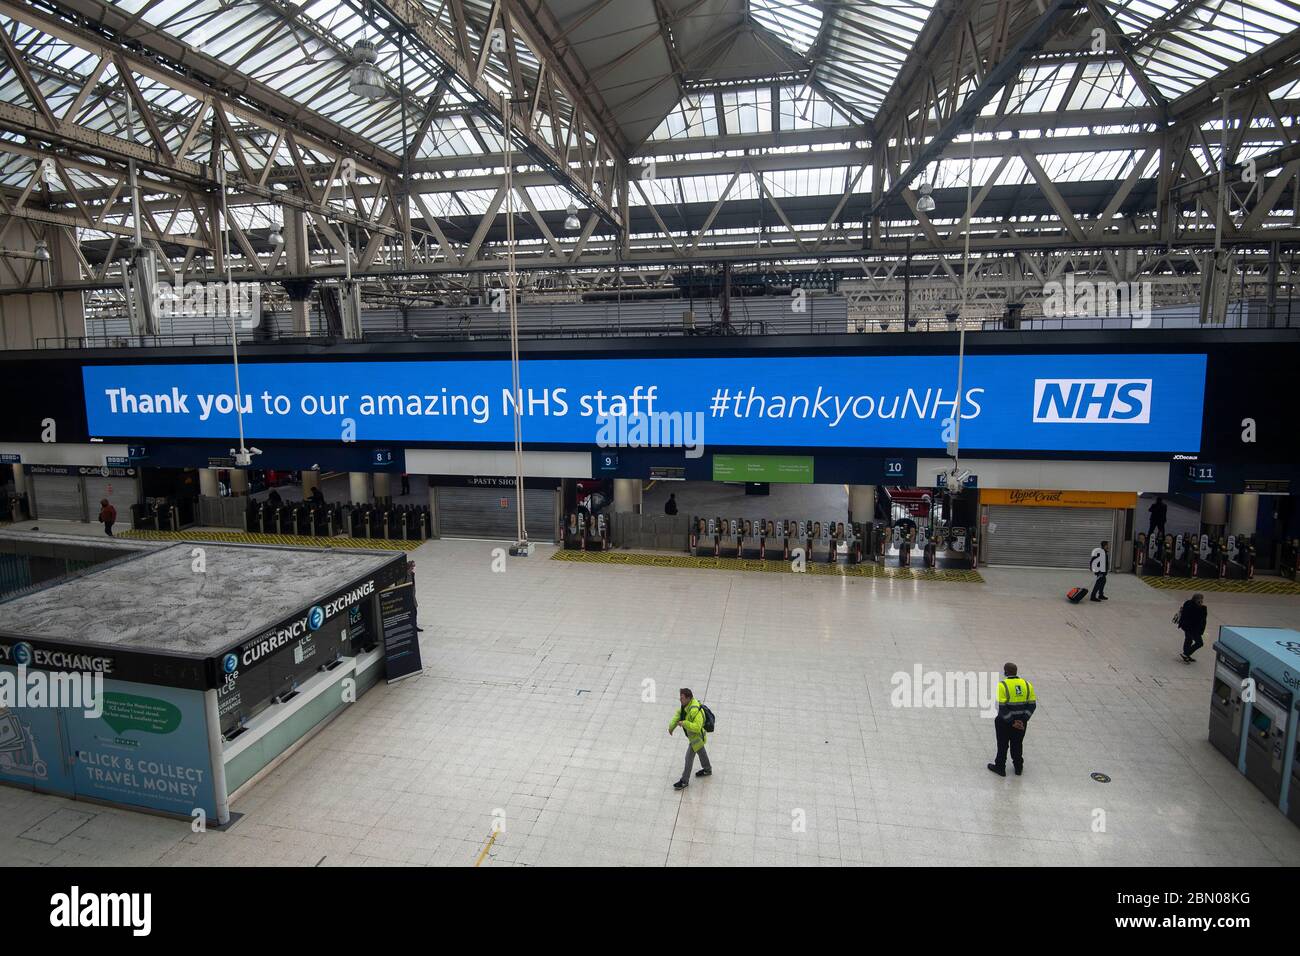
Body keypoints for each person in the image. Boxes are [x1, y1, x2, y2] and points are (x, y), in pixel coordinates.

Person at [988, 662, 1036, 777]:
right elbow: (1032, 705)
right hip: (1021, 723)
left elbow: (1002, 707)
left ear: (1005, 672)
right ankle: (1018, 767)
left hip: (1004, 722)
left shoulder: (1002, 685)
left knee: (1002, 744)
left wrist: (1012, 722)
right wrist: (1023, 720)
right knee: (1017, 744)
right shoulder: (1027, 685)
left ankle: (1000, 767)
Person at [668, 687, 711, 790]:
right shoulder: (685, 706)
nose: (680, 699)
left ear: (688, 698)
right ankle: (707, 769)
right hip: (694, 737)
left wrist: (684, 723)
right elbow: (678, 714)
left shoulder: (695, 710)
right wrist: (671, 726)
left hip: (697, 738)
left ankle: (684, 781)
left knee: (688, 758)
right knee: (702, 753)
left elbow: (697, 727)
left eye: (682, 698)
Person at [1176, 593, 1208, 663]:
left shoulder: (1187, 603)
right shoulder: (1200, 608)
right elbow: (1201, 619)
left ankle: (1186, 655)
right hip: (1193, 629)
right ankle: (1186, 654)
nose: (1202, 601)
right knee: (1199, 643)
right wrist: (1202, 607)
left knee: (1188, 640)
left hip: (1186, 626)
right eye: (1201, 599)